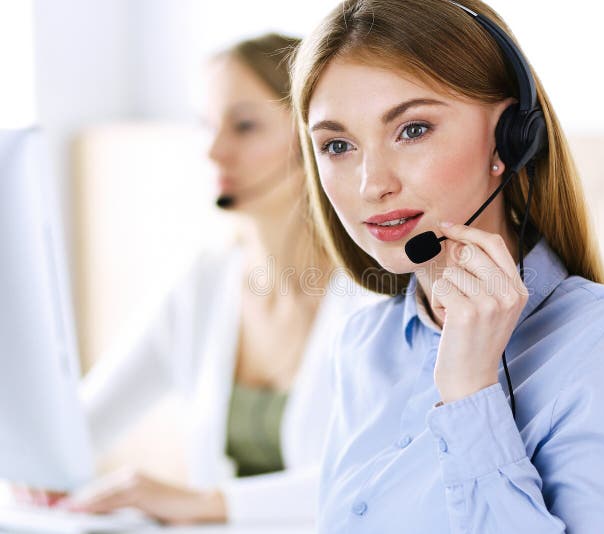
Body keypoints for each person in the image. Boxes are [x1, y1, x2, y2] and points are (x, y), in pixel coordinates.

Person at [289, 1, 604, 532]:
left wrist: (470, 393)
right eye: (338, 145)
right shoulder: (364, 343)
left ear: (510, 138)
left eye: (413, 130)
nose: (372, 184)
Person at [20, 33, 378, 525]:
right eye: (207, 126)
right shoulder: (203, 284)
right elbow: (77, 429)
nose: (213, 151)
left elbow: (377, 480)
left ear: (315, 136)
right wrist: (37, 460)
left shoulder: (375, 289)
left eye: (244, 126)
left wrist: (202, 504)